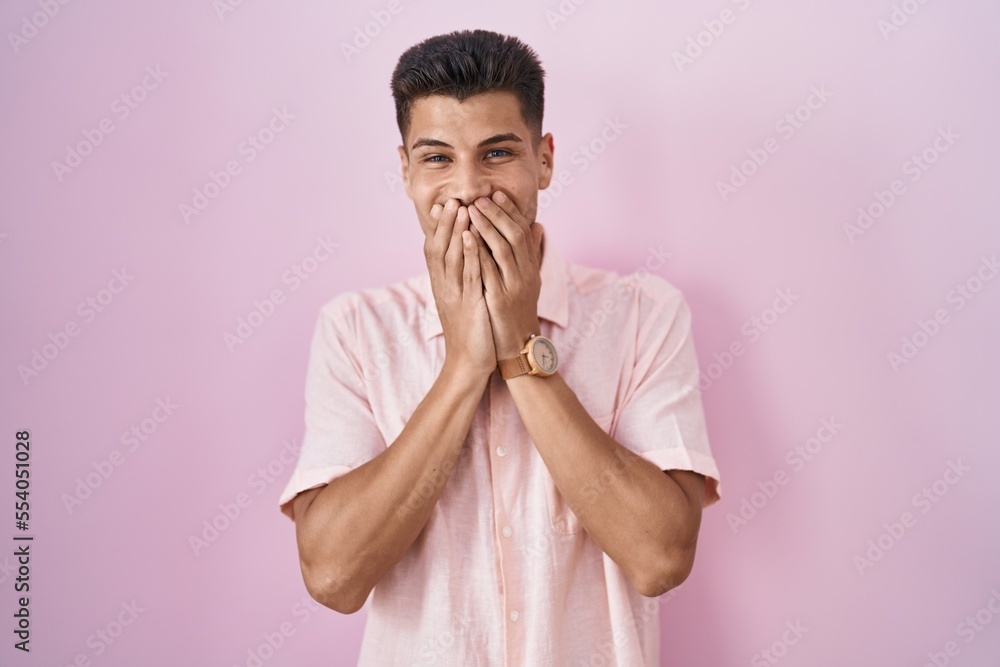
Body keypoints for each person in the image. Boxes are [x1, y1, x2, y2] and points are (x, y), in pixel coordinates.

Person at [278, 28, 722, 666]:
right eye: (437, 158)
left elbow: (660, 559)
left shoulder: (644, 315)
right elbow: (333, 577)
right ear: (404, 169)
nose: (467, 188)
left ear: (543, 158)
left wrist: (519, 348)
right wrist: (464, 367)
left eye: (496, 154)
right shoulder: (355, 330)